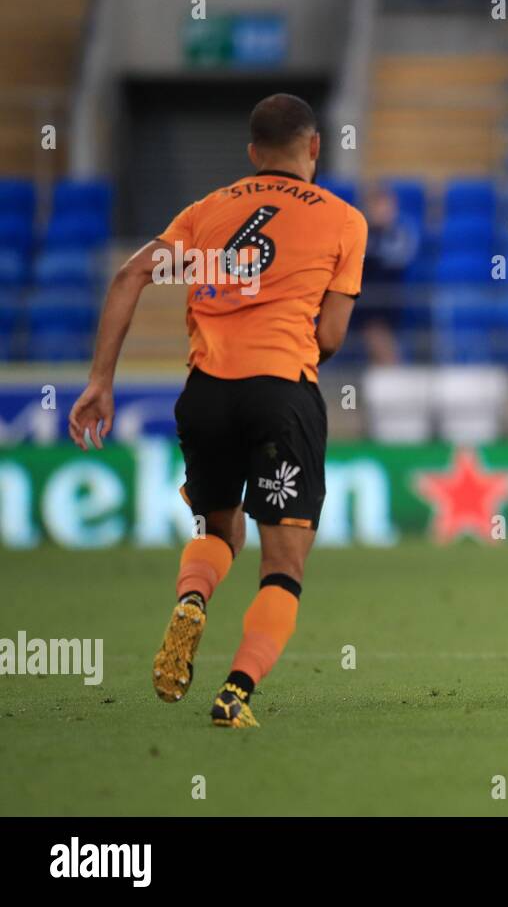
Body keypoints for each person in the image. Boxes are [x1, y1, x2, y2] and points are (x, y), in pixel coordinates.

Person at [68, 93, 368, 727]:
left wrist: (101, 381)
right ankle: (236, 691)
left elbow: (129, 276)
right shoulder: (345, 220)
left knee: (218, 530)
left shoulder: (208, 211)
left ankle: (192, 599)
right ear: (314, 147)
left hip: (204, 393)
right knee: (283, 566)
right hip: (281, 390)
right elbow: (334, 338)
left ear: (252, 154)